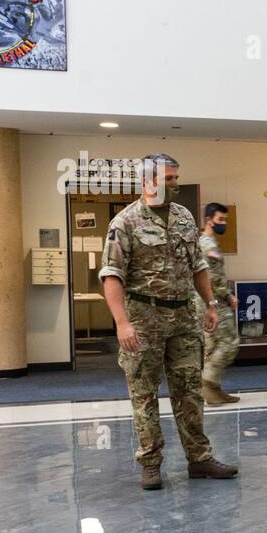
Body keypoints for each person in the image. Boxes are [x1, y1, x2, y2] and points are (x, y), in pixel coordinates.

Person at [99, 153, 238, 490]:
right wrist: (122, 323)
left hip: (183, 318)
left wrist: (209, 303)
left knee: (190, 389)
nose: (176, 185)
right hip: (143, 319)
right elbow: (111, 276)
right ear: (148, 182)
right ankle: (150, 462)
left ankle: (199, 459)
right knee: (144, 392)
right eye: (169, 179)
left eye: (176, 178)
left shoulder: (184, 217)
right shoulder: (125, 222)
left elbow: (198, 266)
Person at [195, 202, 240, 406]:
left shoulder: (207, 242)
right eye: (220, 220)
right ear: (208, 220)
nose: (223, 224)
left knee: (212, 346)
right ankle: (208, 383)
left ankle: (213, 390)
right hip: (213, 302)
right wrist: (228, 296)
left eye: (225, 220)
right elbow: (212, 278)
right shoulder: (208, 245)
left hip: (207, 301)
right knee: (230, 343)